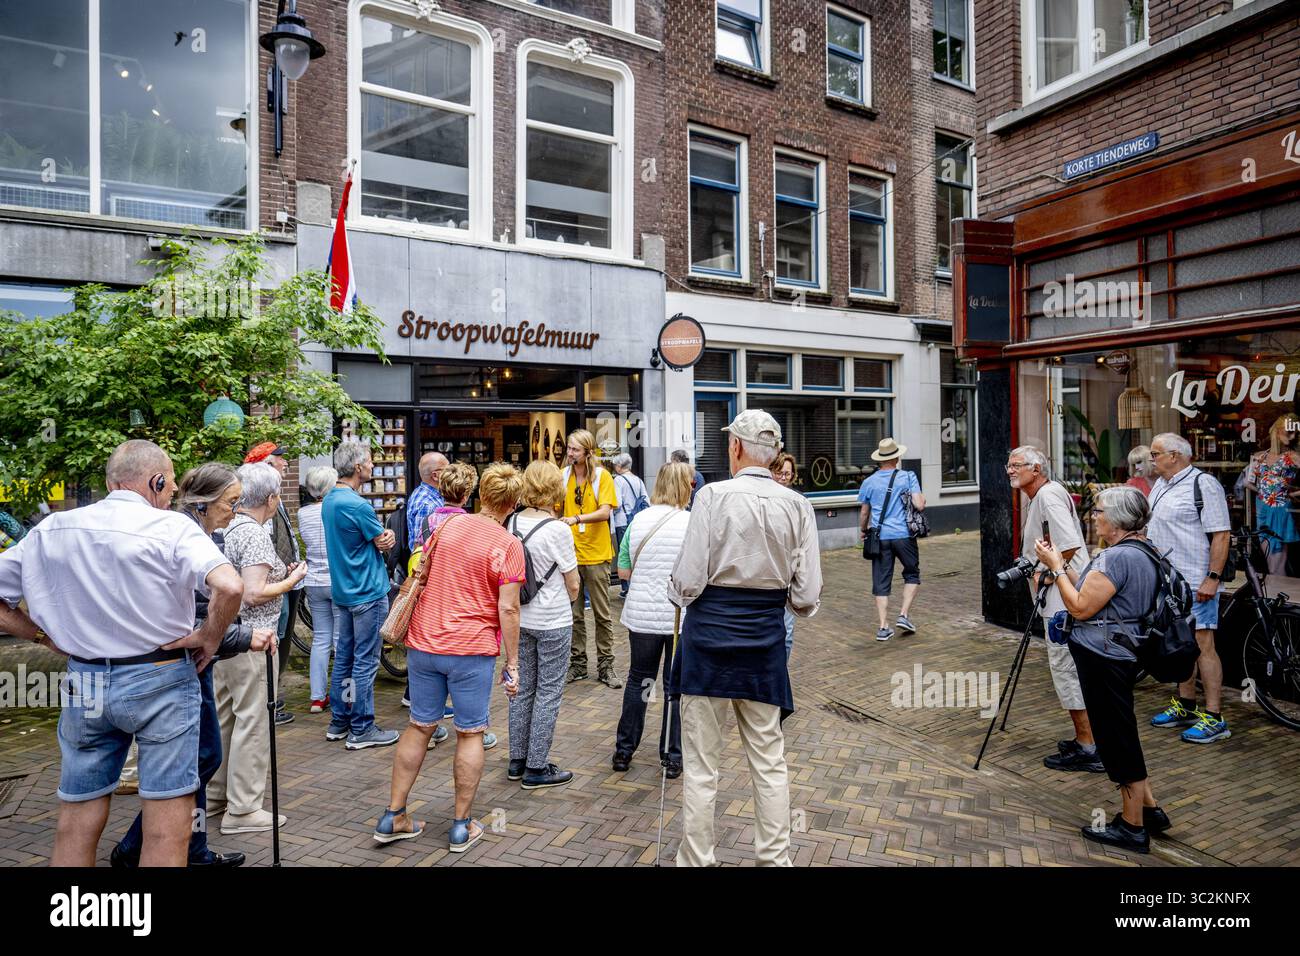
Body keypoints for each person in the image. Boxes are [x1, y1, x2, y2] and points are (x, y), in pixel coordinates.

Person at [0, 440, 243, 866]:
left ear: (112, 482)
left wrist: (41, 637)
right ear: (157, 480)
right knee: (167, 824)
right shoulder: (171, 527)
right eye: (168, 487)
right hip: (161, 675)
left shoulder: (52, 529)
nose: (170, 497)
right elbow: (230, 585)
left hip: (86, 678)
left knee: (76, 817)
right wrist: (209, 636)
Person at [668, 410, 823, 867]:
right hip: (763, 642)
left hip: (708, 640)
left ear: (735, 448)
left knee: (701, 767)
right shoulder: (797, 505)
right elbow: (807, 596)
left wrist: (674, 592)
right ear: (774, 454)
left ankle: (697, 860)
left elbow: (688, 581)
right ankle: (774, 860)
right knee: (769, 760)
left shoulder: (711, 496)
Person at [112, 463, 277, 868]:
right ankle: (141, 844)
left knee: (198, 757)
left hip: (189, 662)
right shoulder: (183, 534)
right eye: (229, 503)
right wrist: (242, 637)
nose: (234, 512)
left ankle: (194, 847)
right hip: (180, 664)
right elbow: (199, 611)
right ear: (203, 503)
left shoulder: (201, 531)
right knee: (199, 758)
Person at [373, 463, 525, 853]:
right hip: (470, 648)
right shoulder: (508, 545)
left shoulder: (446, 526)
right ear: (513, 503)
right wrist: (512, 662)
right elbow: (508, 610)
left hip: (424, 641)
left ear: (481, 494)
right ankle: (460, 826)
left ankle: (394, 815)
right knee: (470, 732)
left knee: (420, 725)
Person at [1034, 487, 1173, 854]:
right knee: (1122, 729)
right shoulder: (1148, 551)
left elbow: (1080, 606)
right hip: (1127, 653)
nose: (1094, 517)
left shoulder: (1114, 558)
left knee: (1115, 737)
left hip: (1105, 656)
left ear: (1117, 519)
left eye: (1099, 512)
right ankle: (1150, 809)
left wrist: (1056, 567)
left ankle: (1132, 827)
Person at [209, 463, 305, 835]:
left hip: (225, 636)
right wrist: (292, 579)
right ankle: (244, 808)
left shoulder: (226, 527)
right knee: (252, 721)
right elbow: (252, 592)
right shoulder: (254, 534)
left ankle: (217, 795)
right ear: (270, 498)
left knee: (224, 718)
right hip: (254, 639)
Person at [1006, 445, 1101, 772]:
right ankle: (1087, 739)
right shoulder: (1045, 495)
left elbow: (1069, 542)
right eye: (1009, 465)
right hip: (1064, 593)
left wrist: (1046, 573)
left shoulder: (1047, 495)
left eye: (1016, 465)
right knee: (1070, 668)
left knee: (1066, 669)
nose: (1010, 470)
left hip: (1063, 599)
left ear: (1036, 468)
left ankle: (1089, 747)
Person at [404, 462, 499, 752]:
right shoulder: (472, 527)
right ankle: (471, 729)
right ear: (468, 494)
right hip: (462, 616)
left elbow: (416, 554)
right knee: (466, 686)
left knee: (421, 716)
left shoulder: (427, 520)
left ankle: (428, 729)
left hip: (428, 612)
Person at [1146, 432, 1232, 743]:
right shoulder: (1161, 485)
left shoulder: (1204, 484)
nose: (1151, 459)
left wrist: (1213, 576)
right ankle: (1185, 705)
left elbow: (1221, 534)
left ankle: (1214, 716)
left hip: (1196, 581)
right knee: (1179, 644)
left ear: (1175, 455)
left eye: (1156, 454)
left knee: (1202, 644)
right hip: (1167, 582)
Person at [613, 461, 691, 776]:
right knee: (675, 686)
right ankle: (671, 757)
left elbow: (623, 572)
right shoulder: (692, 523)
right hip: (678, 618)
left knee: (640, 680)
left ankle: (623, 751)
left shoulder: (638, 521)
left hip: (642, 617)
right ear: (686, 487)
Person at [506, 461, 581, 788]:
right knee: (549, 692)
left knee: (522, 689)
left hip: (519, 618)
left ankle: (516, 760)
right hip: (553, 620)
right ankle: (537, 767)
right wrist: (570, 601)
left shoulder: (511, 522)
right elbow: (573, 583)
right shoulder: (558, 530)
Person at [323, 442, 400, 750]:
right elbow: (383, 541)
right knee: (365, 660)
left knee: (344, 657)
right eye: (369, 462)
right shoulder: (357, 505)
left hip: (343, 591)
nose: (372, 466)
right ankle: (362, 727)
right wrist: (389, 537)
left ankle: (340, 720)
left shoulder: (329, 499)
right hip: (367, 591)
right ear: (357, 467)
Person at [245, 442, 302, 727]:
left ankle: (271, 699)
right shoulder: (260, 500)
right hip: (272, 586)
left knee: (278, 638)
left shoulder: (271, 495)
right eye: (280, 460)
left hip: (281, 580)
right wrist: (284, 575)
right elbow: (263, 545)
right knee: (273, 640)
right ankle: (270, 702)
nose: (285, 464)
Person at [562, 429, 622, 688]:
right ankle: (578, 665)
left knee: (601, 614)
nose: (570, 453)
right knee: (574, 615)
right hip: (570, 555)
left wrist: (576, 519)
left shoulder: (603, 477)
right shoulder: (563, 476)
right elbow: (555, 509)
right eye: (569, 448)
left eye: (575, 449)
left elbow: (605, 512)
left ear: (587, 451)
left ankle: (606, 665)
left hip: (596, 555)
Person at [858, 438, 926, 642]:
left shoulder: (869, 482)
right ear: (897, 457)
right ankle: (903, 615)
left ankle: (883, 627)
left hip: (880, 537)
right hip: (904, 535)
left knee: (881, 581)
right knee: (912, 573)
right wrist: (921, 500)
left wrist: (863, 530)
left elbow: (864, 513)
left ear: (880, 460)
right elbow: (919, 504)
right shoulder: (908, 476)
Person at [298, 466, 340, 714]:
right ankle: (340, 696)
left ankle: (316, 697)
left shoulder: (303, 514)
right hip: (336, 580)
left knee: (320, 639)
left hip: (313, 580)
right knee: (339, 639)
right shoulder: (335, 510)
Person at [1245, 416, 1300, 576]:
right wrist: (1266, 490)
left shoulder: (1293, 456)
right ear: (1276, 431)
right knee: (1269, 561)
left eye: (1295, 433)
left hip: (1280, 510)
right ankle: (1275, 596)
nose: (1293, 436)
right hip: (1262, 510)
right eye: (1289, 431)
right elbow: (1248, 483)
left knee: (1277, 563)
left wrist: (1291, 492)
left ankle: (1279, 597)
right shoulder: (1260, 456)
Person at [771, 452, 799, 659]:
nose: (783, 477)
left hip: (788, 574)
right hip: (767, 574)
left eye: (787, 474)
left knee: (787, 633)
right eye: (779, 473)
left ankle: (781, 672)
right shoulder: (763, 500)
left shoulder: (797, 503)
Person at [609, 453, 648, 599]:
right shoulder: (638, 480)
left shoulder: (618, 480)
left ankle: (626, 588)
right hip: (637, 521)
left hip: (622, 521)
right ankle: (635, 585)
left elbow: (617, 502)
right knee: (635, 553)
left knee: (624, 554)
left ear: (619, 466)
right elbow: (645, 499)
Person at [407, 452, 449, 553]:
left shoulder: (423, 493)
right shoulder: (428, 504)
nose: (450, 474)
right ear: (435, 476)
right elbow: (419, 547)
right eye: (447, 470)